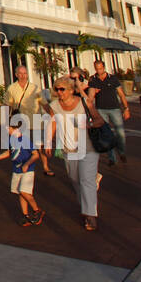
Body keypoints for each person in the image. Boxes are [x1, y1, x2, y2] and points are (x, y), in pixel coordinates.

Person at [50, 76, 104, 230]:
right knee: (75, 179)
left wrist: (89, 124)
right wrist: (48, 141)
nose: (59, 92)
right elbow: (52, 123)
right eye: (57, 89)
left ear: (71, 90)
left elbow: (99, 120)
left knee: (86, 181)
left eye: (62, 89)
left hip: (88, 147)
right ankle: (87, 202)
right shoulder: (54, 105)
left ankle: (90, 215)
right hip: (69, 148)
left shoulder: (84, 102)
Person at [0, 113, 43, 226]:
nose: (7, 129)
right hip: (17, 170)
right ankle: (25, 215)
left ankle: (37, 211)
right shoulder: (11, 140)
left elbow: (36, 154)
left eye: (9, 128)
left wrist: (27, 164)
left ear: (16, 128)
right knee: (20, 192)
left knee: (24, 191)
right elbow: (9, 152)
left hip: (27, 170)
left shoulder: (25, 140)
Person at [6, 65, 53, 176]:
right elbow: (8, 105)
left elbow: (44, 103)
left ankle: (46, 167)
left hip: (36, 120)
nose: (23, 76)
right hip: (21, 122)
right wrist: (7, 121)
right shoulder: (11, 89)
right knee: (23, 146)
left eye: (25, 73)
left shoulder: (35, 88)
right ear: (16, 75)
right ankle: (25, 166)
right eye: (21, 73)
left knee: (40, 146)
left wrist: (52, 115)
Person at [89, 59, 130, 166]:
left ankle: (121, 152)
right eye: (97, 69)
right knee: (106, 135)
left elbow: (121, 94)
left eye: (100, 68)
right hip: (101, 109)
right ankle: (112, 158)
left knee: (120, 133)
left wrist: (126, 108)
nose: (99, 71)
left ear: (104, 67)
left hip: (114, 108)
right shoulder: (93, 80)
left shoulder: (112, 78)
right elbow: (90, 96)